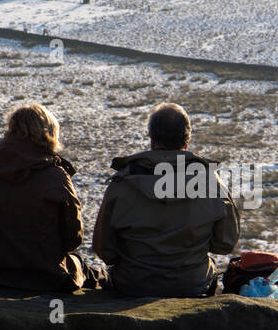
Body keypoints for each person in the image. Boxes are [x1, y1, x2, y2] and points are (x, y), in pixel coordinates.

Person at [93, 103, 240, 296]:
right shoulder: (210, 182)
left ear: (151, 138)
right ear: (186, 141)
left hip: (133, 284)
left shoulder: (123, 183)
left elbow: (105, 249)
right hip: (193, 285)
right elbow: (225, 244)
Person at [0, 103, 103, 291]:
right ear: (49, 135)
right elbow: (73, 238)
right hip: (46, 277)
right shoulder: (57, 177)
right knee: (87, 269)